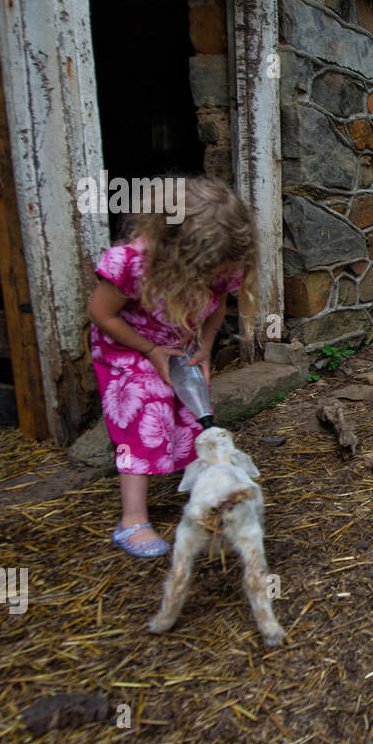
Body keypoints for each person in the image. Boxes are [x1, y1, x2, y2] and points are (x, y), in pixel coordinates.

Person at [85, 176, 258, 558]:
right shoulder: (130, 264)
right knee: (146, 411)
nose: (217, 278)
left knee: (190, 411)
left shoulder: (220, 265)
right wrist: (150, 350)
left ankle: (201, 491)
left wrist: (205, 351)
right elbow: (101, 315)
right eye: (209, 272)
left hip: (179, 345)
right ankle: (132, 519)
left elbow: (217, 311)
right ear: (178, 253)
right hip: (127, 346)